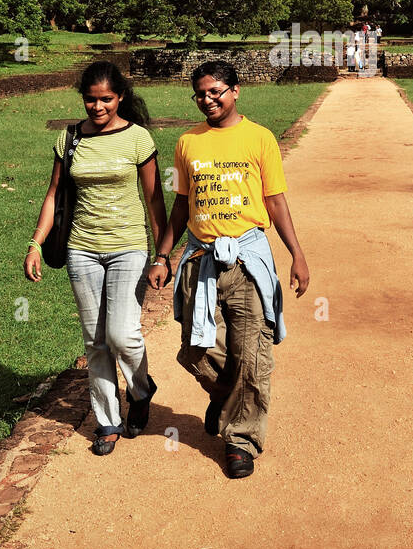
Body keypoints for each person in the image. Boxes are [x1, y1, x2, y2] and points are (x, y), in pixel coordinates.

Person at [155, 60, 309, 478]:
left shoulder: (259, 139)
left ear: (236, 91)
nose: (208, 100)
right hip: (201, 259)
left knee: (252, 355)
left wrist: (296, 253)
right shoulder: (188, 142)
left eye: (216, 91)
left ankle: (241, 440)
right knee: (196, 349)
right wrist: (162, 256)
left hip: (246, 260)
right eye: (200, 94)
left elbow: (275, 201)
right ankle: (226, 396)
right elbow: (182, 204)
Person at [24, 62, 169, 456]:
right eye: (91, 99)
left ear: (120, 97)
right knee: (95, 340)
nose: (98, 106)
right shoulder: (69, 138)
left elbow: (155, 200)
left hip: (128, 247)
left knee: (121, 334)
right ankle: (107, 420)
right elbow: (54, 194)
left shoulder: (138, 139)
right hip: (82, 249)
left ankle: (141, 390)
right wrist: (36, 243)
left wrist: (163, 254)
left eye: (106, 99)